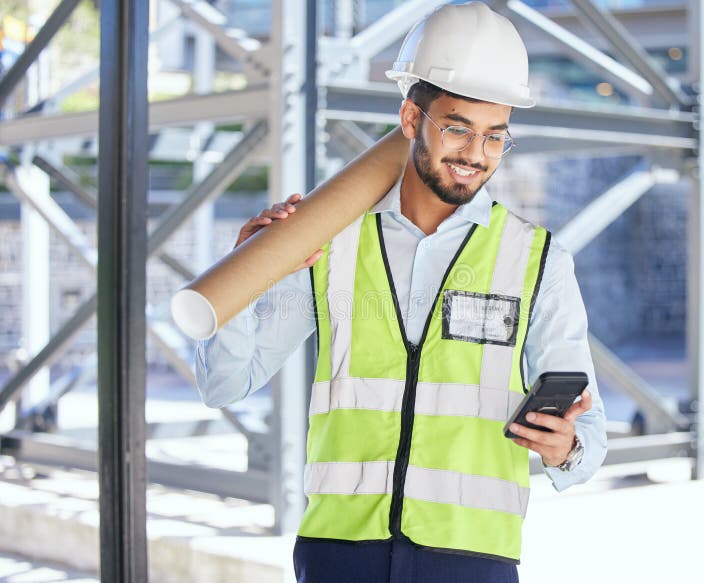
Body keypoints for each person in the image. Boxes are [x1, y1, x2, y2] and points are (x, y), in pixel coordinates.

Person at [196, 3, 607, 581]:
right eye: (458, 128)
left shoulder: (538, 261)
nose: (475, 156)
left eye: (495, 137)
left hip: (472, 560)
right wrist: (244, 278)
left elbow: (591, 438)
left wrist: (566, 447)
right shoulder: (329, 242)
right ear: (411, 118)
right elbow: (223, 384)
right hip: (338, 552)